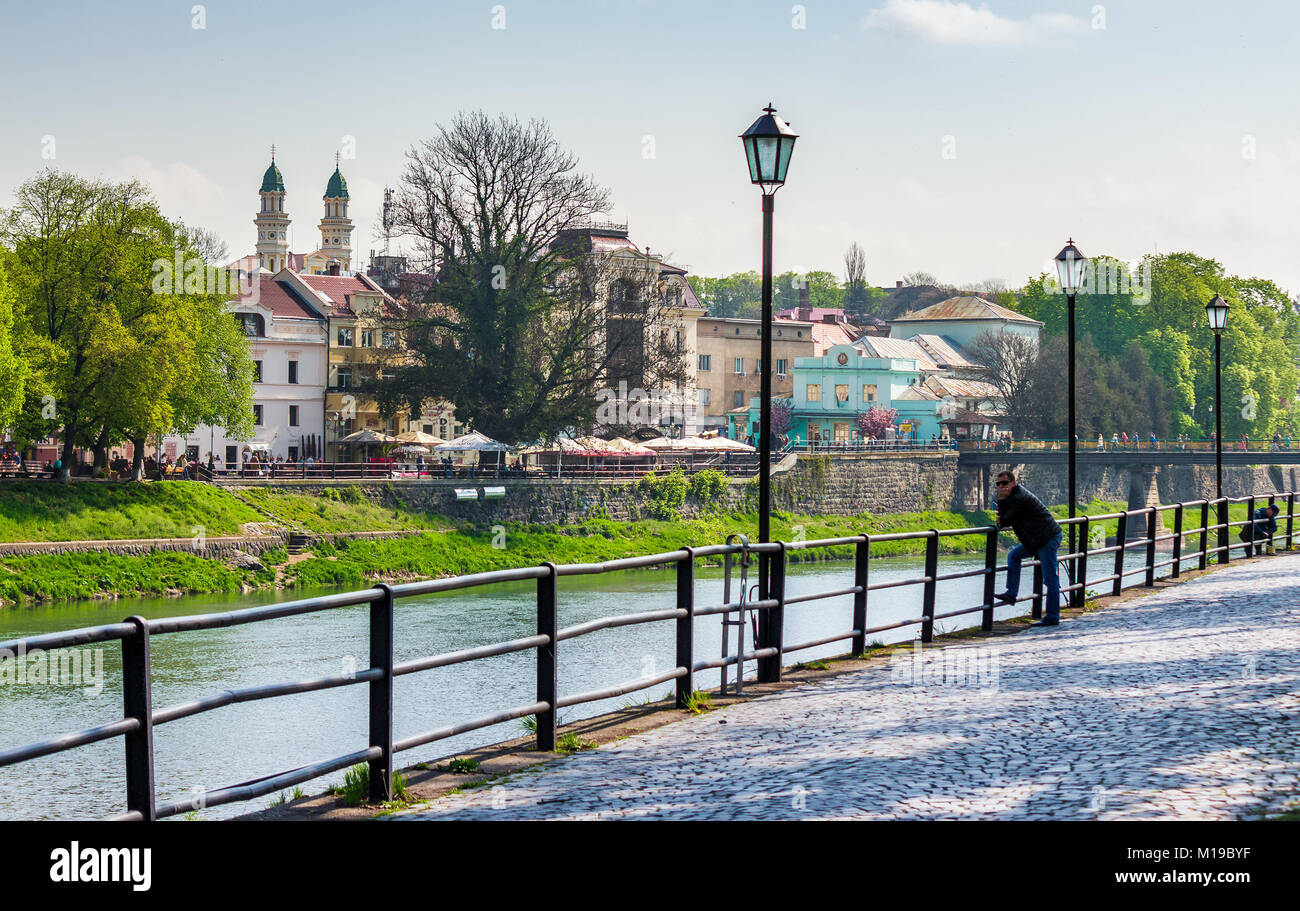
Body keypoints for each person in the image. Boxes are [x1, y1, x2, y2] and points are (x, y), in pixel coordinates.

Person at [992, 470, 1063, 627]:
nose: (1001, 486)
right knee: (1014, 556)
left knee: (1050, 578)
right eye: (998, 484)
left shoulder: (1019, 498)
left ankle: (1052, 616)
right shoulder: (1015, 497)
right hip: (1036, 539)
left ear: (1013, 483)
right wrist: (1003, 504)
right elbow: (1004, 520)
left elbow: (1004, 521)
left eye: (1004, 483)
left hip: (1047, 538)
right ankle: (1011, 594)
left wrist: (1002, 500)